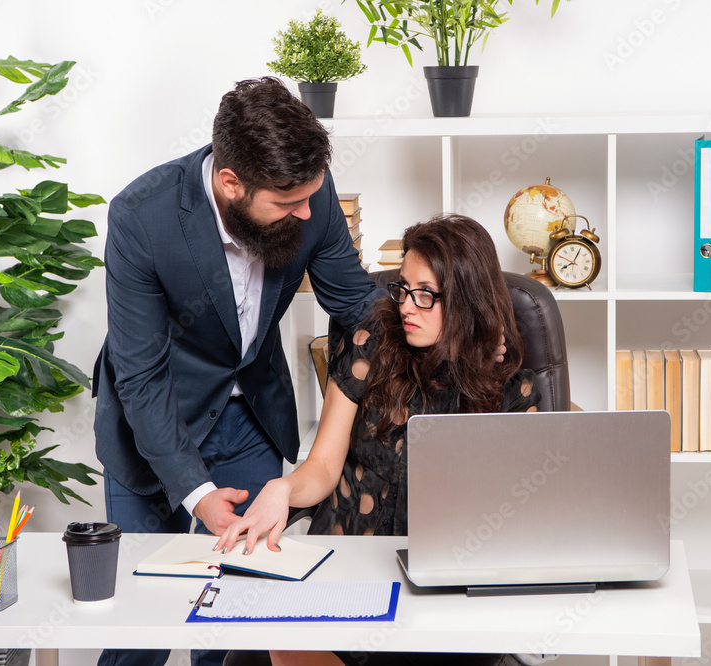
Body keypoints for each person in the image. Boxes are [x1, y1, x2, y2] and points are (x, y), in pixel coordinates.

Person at [92, 77, 377, 666]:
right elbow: (140, 376)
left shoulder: (309, 192)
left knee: (235, 621)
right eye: (287, 204)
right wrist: (196, 494)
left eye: (311, 196)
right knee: (142, 626)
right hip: (154, 423)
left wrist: (456, 325)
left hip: (251, 420)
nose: (307, 213)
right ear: (230, 183)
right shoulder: (142, 216)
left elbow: (355, 303)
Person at [216, 214, 543, 666]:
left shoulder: (511, 388)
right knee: (281, 639)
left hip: (445, 585)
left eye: (425, 294)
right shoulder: (370, 345)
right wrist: (283, 488)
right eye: (403, 288)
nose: (407, 306)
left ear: (467, 299)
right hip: (348, 569)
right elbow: (324, 465)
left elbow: (518, 511)